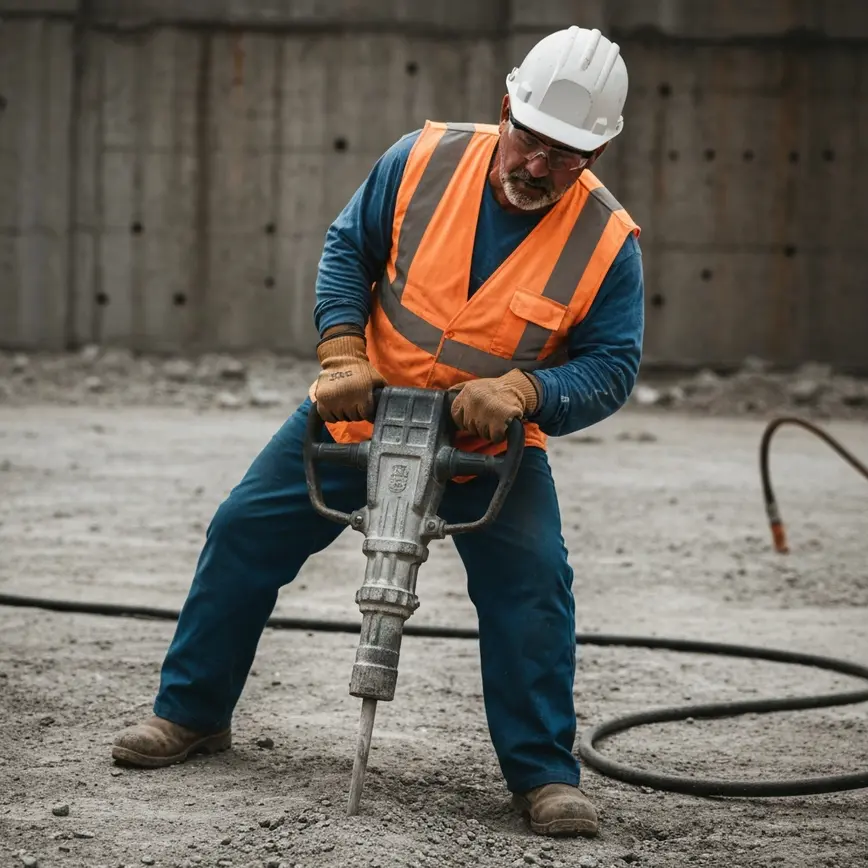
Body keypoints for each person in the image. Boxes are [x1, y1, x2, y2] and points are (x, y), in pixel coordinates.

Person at [111, 25, 644, 838]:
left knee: (534, 588)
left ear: (596, 155)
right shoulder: (421, 160)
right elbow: (346, 248)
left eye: (566, 156)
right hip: (361, 413)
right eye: (531, 141)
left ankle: (542, 774)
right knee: (242, 531)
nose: (539, 166)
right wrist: (338, 348)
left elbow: (612, 367)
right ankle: (191, 713)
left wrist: (526, 389)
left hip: (485, 451)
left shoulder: (607, 244)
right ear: (506, 109)